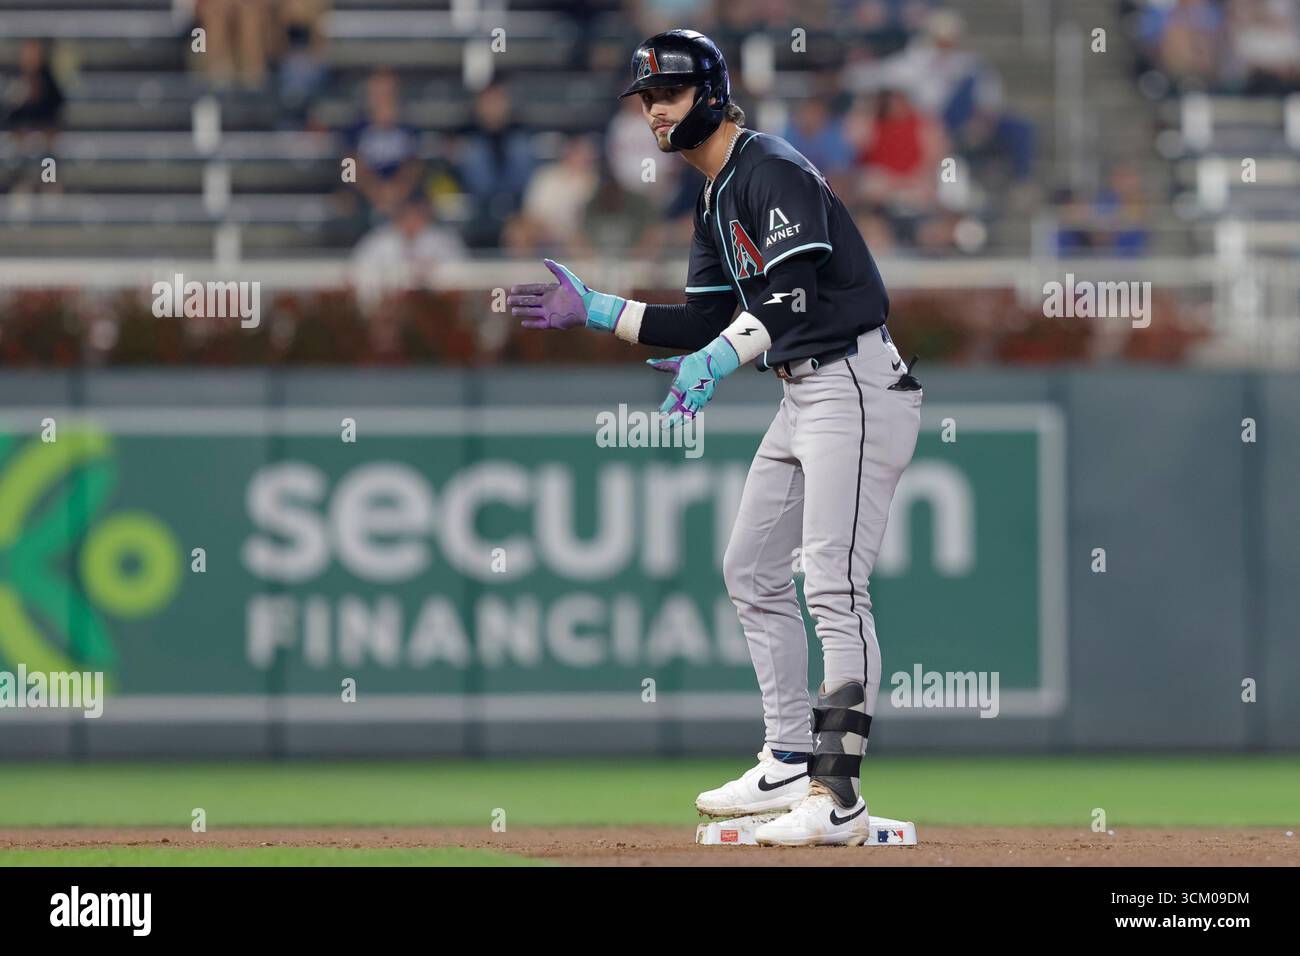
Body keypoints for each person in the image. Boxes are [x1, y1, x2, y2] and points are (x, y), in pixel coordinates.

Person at [507, 29, 922, 847]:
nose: (655, 109)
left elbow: (795, 299)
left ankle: (838, 800)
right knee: (752, 569)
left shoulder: (768, 167)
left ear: (710, 92)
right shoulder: (714, 193)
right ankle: (787, 760)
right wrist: (600, 310)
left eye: (668, 92)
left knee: (833, 586)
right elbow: (703, 315)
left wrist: (720, 358)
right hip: (805, 391)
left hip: (853, 381)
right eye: (646, 98)